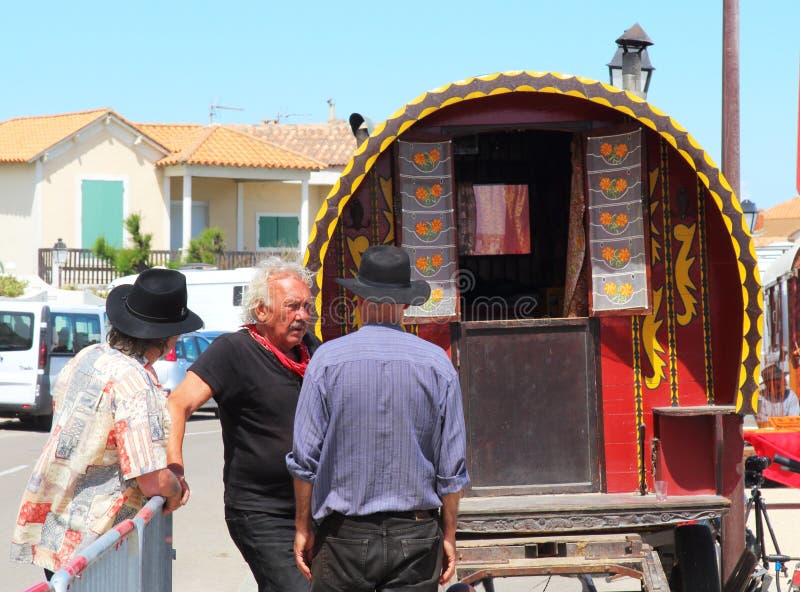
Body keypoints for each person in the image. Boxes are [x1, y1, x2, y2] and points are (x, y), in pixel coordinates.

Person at [286, 245, 470, 592]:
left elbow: (305, 460)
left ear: (359, 300)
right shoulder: (437, 364)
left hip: (343, 537)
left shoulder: (326, 361)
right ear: (405, 305)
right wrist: (448, 534)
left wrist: (302, 526)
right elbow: (451, 469)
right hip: (417, 537)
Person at [10, 268, 202, 577]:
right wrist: (176, 488)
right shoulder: (135, 383)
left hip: (57, 530)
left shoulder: (89, 356)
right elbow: (151, 478)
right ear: (167, 338)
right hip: (96, 545)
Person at [167, 257, 319, 592]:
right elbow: (178, 404)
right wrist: (174, 469)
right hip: (261, 511)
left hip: (313, 508)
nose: (303, 316)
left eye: (307, 307)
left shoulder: (313, 351)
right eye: (293, 306)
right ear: (261, 310)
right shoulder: (233, 350)